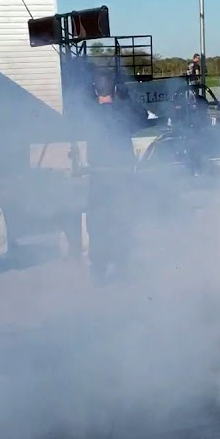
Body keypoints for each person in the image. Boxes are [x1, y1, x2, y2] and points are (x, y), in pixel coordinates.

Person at [82, 70, 140, 286]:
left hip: (98, 179)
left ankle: (98, 272)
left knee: (97, 227)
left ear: (95, 90)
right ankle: (122, 268)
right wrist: (124, 97)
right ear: (115, 89)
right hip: (123, 178)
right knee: (122, 223)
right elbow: (142, 117)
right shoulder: (125, 113)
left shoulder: (89, 114)